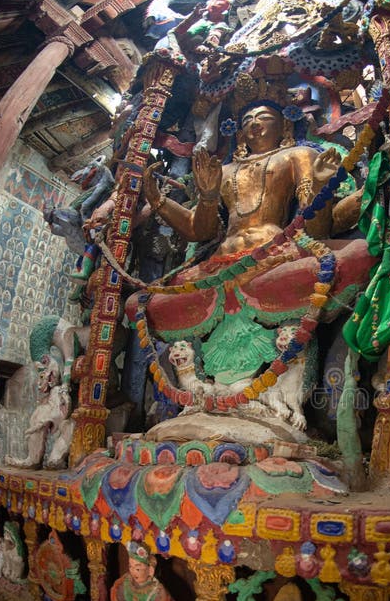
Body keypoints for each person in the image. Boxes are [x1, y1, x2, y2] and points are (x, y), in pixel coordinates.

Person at [126, 100, 375, 393]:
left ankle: (279, 385)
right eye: (247, 120)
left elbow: (316, 228)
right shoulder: (226, 170)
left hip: (274, 256)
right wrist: (166, 201)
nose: (254, 123)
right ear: (240, 134)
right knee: (137, 305)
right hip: (221, 266)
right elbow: (200, 229)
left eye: (264, 117)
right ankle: (202, 385)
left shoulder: (298, 155)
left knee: (358, 253)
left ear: (283, 125)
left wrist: (320, 186)